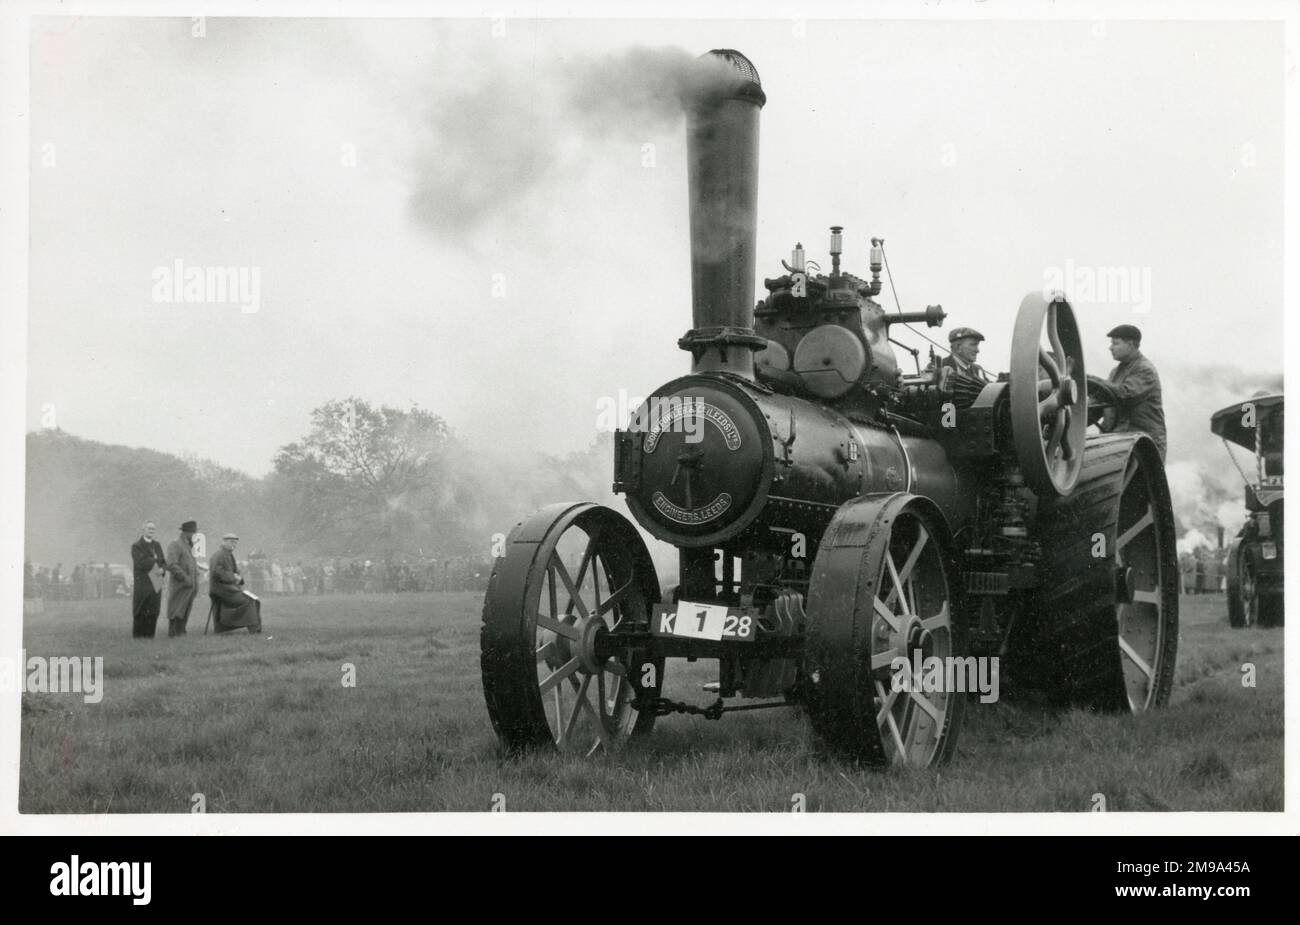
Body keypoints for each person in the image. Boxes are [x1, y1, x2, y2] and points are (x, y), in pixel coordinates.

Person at [1098, 323, 1167, 462]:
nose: (1110, 347)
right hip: (1119, 444)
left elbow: (1124, 395)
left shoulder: (1145, 369)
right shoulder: (1114, 373)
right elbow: (1099, 403)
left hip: (1143, 447)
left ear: (1130, 344)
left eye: (1115, 343)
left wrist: (1089, 380)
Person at [209, 533, 263, 634]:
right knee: (249, 600)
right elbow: (217, 573)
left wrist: (239, 578)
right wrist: (234, 577)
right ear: (223, 542)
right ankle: (254, 629)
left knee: (255, 600)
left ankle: (256, 627)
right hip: (221, 590)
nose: (234, 545)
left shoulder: (229, 555)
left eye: (235, 543)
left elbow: (236, 573)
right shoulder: (218, 555)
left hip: (230, 589)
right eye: (231, 542)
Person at [165, 520, 201, 636]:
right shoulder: (175, 544)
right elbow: (171, 564)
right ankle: (174, 633)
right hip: (180, 585)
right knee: (176, 608)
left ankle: (181, 631)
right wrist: (185, 578)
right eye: (193, 532)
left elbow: (189, 563)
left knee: (185, 608)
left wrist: (196, 571)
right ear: (186, 532)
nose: (194, 535)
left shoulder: (189, 545)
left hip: (190, 585)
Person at [130, 521, 166, 638]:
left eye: (153, 529)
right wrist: (156, 563)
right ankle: (139, 636)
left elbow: (164, 562)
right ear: (143, 530)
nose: (151, 531)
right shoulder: (137, 546)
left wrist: (163, 570)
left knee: (154, 609)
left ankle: (150, 636)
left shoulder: (157, 545)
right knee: (141, 608)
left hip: (156, 582)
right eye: (149, 528)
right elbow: (141, 563)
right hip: (143, 583)